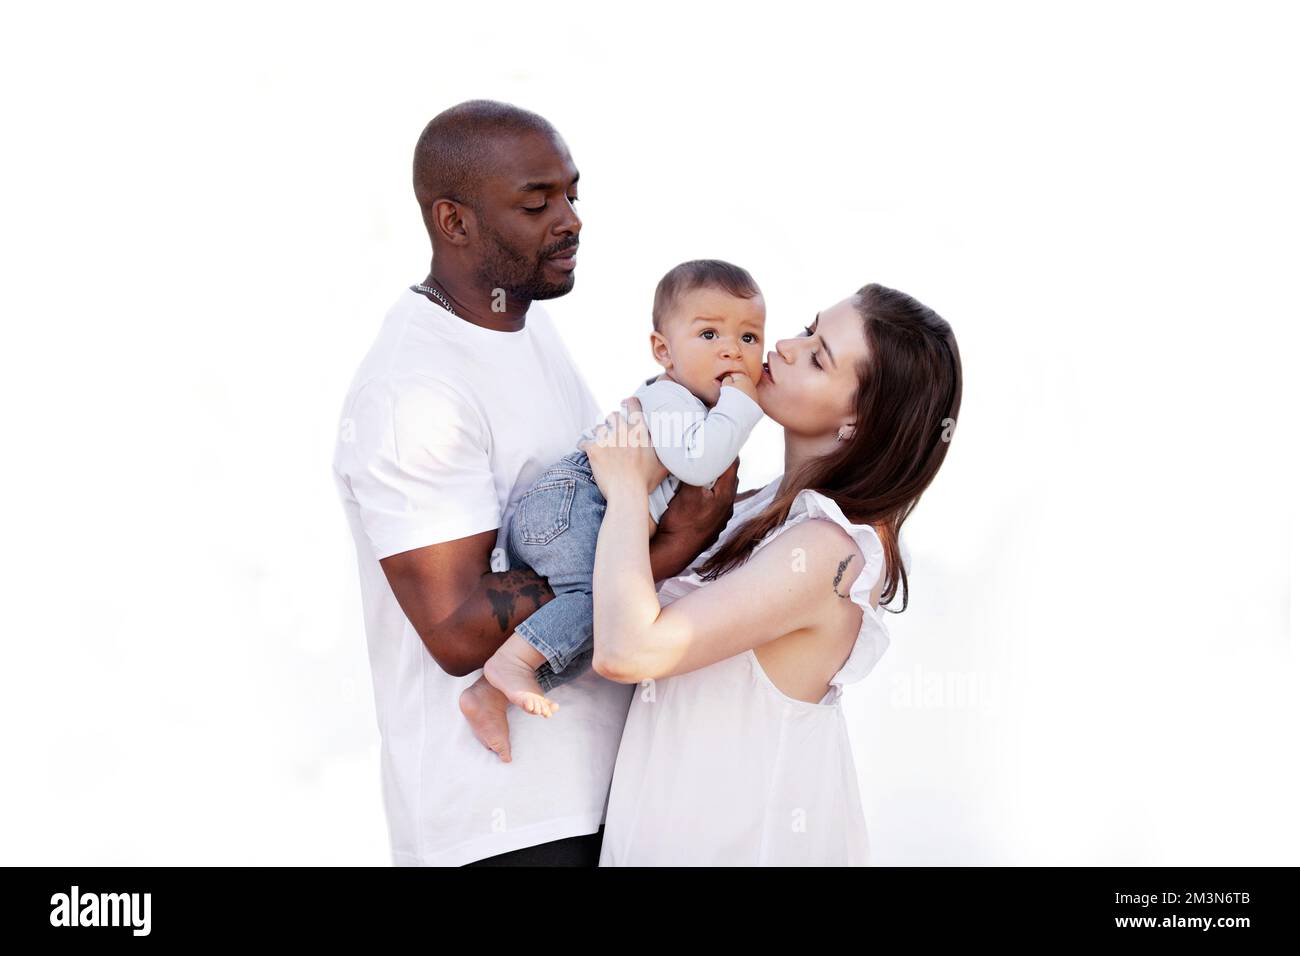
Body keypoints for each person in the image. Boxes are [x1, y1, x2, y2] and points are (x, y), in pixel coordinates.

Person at [331, 100, 735, 867]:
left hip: (609, 793)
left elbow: (594, 510)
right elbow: (454, 627)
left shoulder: (523, 323)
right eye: (537, 202)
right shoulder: (412, 391)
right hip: (507, 818)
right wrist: (672, 542)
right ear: (454, 222)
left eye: (573, 194)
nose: (572, 219)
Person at [581, 283, 962, 865]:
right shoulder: (755, 507)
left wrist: (628, 489)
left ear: (860, 419)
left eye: (817, 356)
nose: (782, 345)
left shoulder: (829, 551)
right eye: (807, 329)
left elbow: (629, 652)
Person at [459, 259, 766, 751]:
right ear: (664, 352)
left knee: (608, 626)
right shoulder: (672, 398)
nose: (732, 349)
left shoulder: (701, 410)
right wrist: (745, 406)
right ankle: (511, 664)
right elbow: (699, 463)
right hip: (571, 503)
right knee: (595, 602)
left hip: (579, 516)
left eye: (749, 339)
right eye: (709, 335)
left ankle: (490, 692)